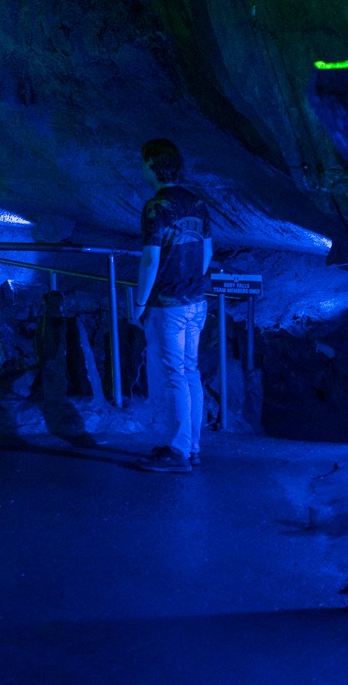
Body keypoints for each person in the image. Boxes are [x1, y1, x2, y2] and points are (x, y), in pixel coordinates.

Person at [133, 138, 212, 474]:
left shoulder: (156, 207)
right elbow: (207, 252)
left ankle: (178, 452)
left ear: (153, 165)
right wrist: (192, 283)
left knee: (174, 375)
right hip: (197, 301)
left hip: (169, 305)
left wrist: (139, 303)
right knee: (190, 371)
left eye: (144, 163)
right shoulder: (198, 203)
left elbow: (150, 261)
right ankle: (191, 447)